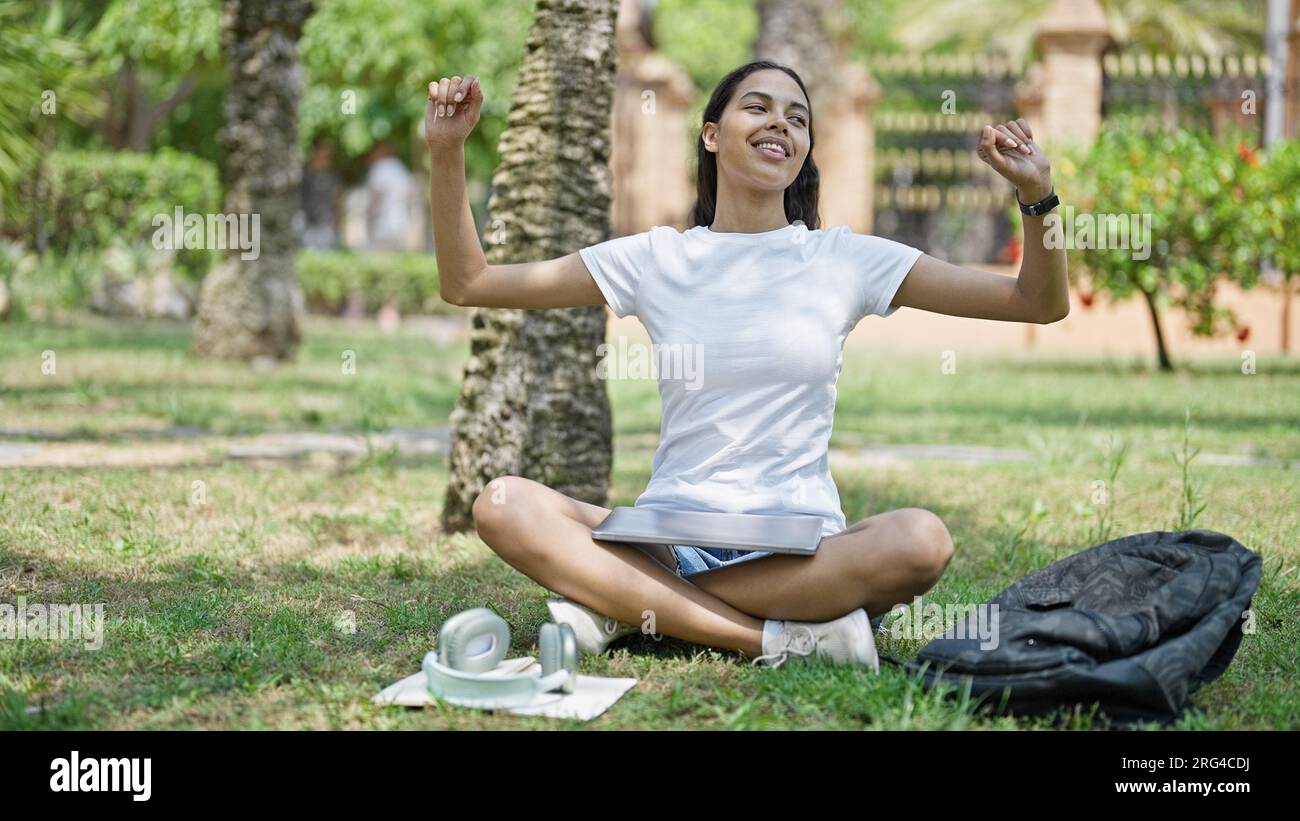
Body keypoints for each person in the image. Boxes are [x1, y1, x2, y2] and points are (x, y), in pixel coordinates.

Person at [423, 61, 1067, 669]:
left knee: (922, 540)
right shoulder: (656, 258)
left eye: (797, 117)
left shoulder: (846, 259)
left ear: (805, 150)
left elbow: (1038, 304)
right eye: (756, 107)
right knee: (503, 503)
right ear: (711, 135)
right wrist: (447, 150)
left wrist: (1038, 196)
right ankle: (767, 637)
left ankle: (625, 600)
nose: (780, 124)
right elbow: (469, 283)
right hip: (667, 533)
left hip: (799, 545)